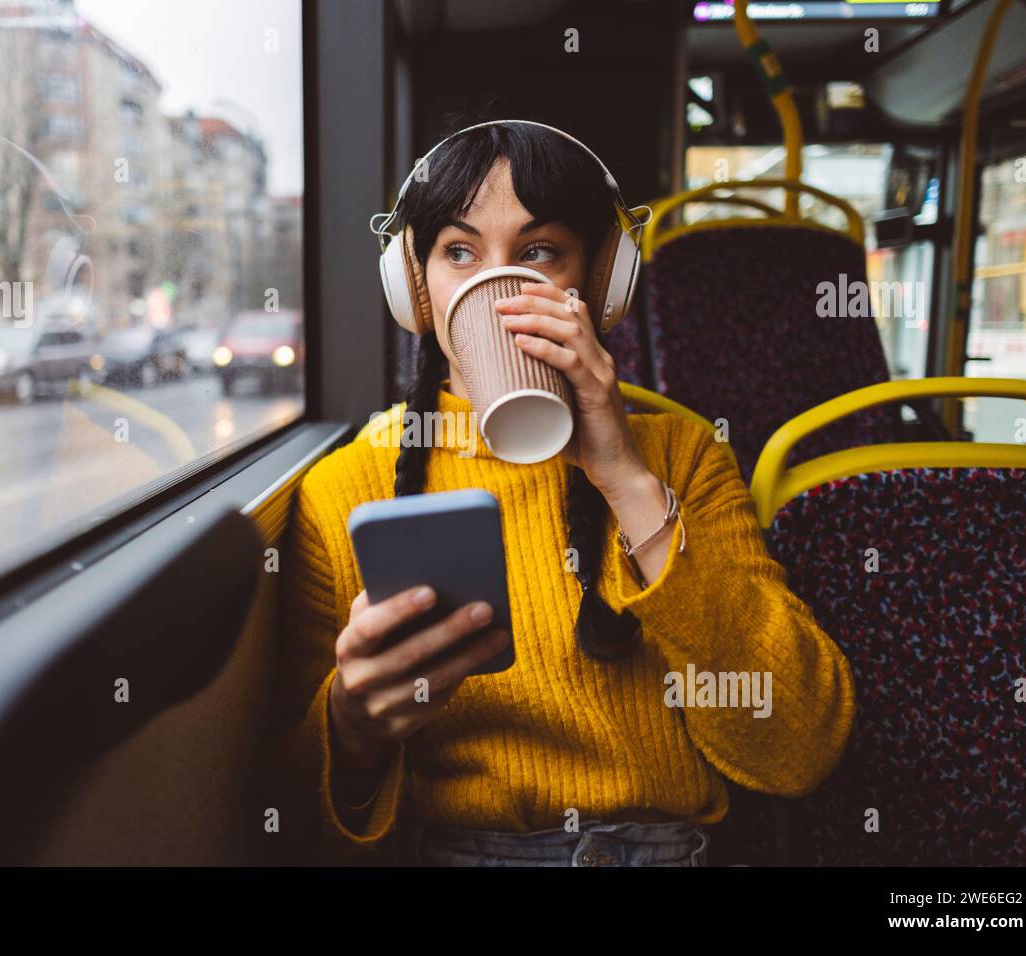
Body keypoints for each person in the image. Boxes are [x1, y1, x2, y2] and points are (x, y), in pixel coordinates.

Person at [272, 119, 856, 867]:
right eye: (459, 252)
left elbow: (801, 747)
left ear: (601, 281)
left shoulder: (683, 454)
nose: (497, 283)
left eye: (539, 252)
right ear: (414, 286)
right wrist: (352, 728)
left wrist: (625, 475)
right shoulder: (344, 487)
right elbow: (290, 821)